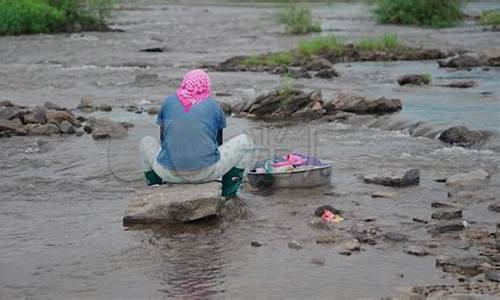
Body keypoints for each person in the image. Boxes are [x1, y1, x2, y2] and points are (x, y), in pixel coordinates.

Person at [140, 69, 254, 198]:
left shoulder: (168, 102)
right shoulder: (213, 106)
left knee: (146, 141)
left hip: (167, 173)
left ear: (184, 84)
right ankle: (228, 192)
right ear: (206, 86)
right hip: (205, 173)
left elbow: (163, 138)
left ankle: (155, 186)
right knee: (246, 142)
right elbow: (217, 143)